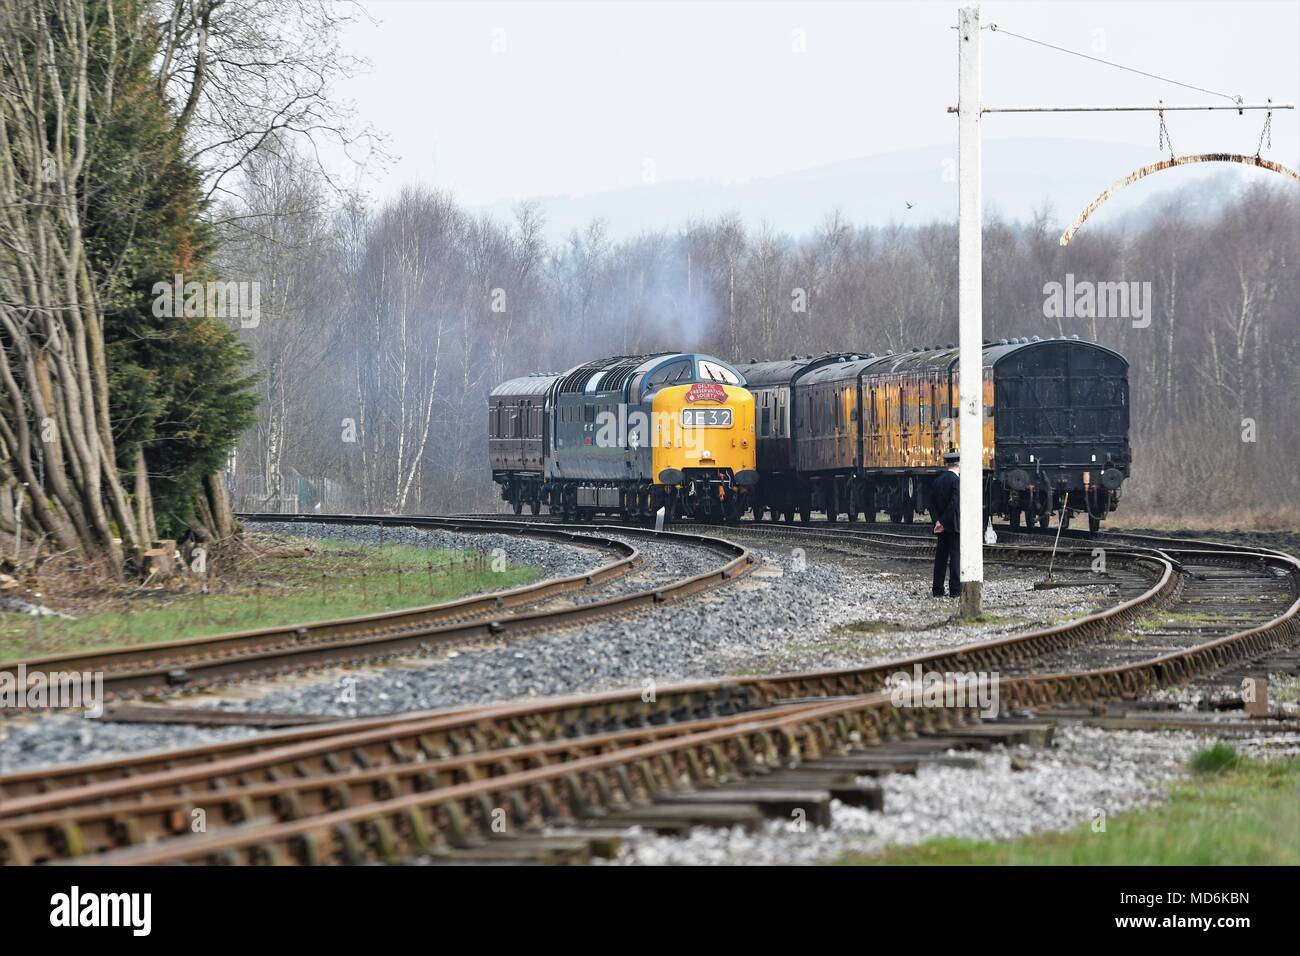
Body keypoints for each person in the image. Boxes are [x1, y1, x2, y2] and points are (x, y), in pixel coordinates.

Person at [930, 450, 961, 598]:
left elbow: (932, 505)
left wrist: (937, 521)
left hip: (940, 526)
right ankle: (955, 590)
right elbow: (954, 503)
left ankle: (937, 589)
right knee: (955, 557)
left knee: (940, 558)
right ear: (958, 464)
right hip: (953, 525)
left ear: (946, 464)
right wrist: (944, 521)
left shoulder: (937, 481)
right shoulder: (956, 481)